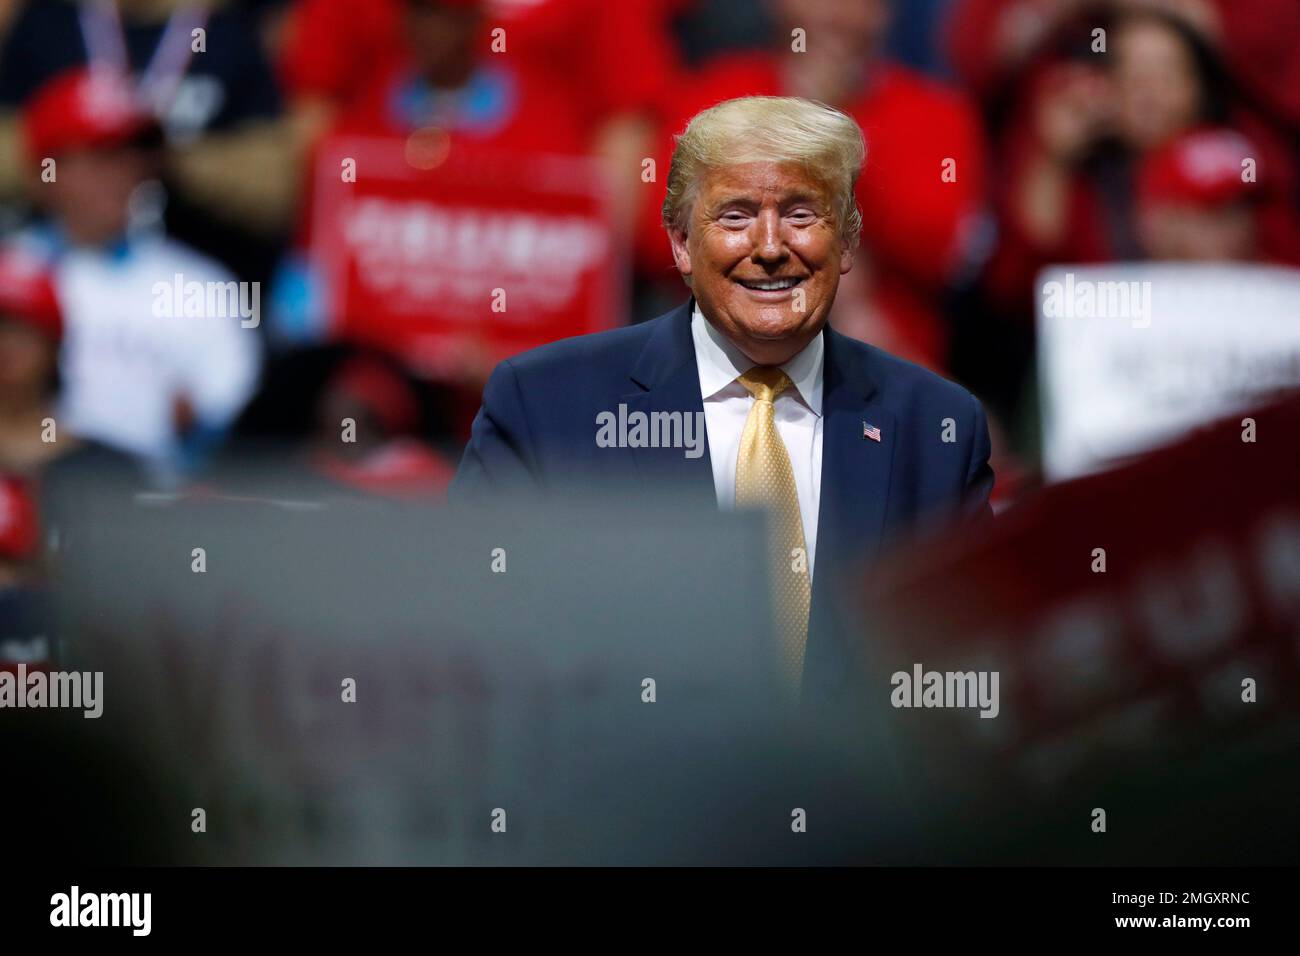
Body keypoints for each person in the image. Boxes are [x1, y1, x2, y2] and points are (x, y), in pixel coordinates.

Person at [452, 96, 993, 707]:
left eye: (801, 214)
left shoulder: (937, 429)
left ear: (846, 243)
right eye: (735, 216)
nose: (768, 247)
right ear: (681, 243)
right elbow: (473, 645)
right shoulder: (546, 409)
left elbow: (970, 679)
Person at [15, 66, 261, 483]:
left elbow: (234, 432)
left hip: (155, 521)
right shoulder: (11, 274)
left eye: (137, 154)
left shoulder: (202, 285)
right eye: (102, 155)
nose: (127, 172)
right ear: (46, 171)